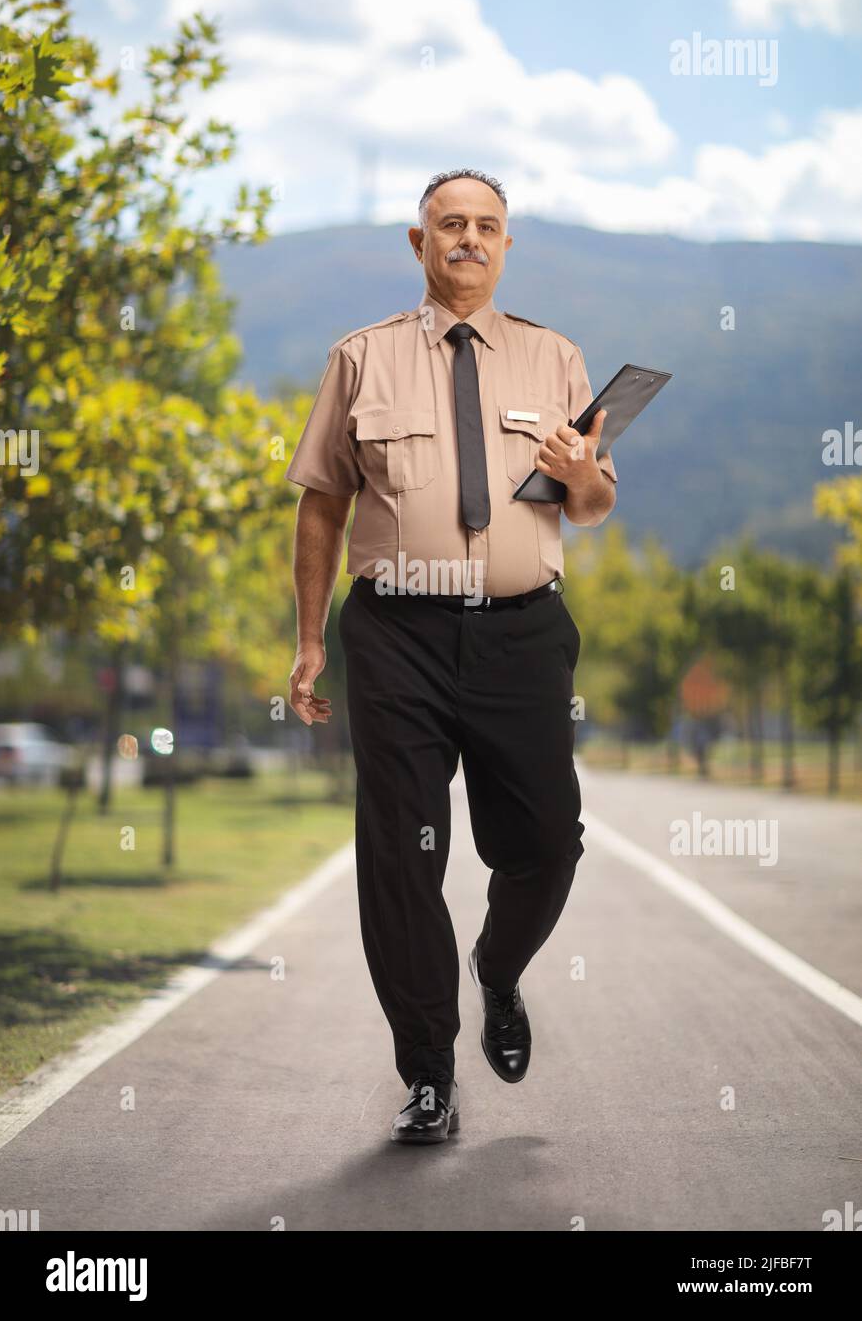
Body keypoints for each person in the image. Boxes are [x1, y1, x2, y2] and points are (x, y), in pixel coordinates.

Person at [286, 168, 617, 1144]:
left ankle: (497, 969)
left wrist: (579, 474)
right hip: (397, 635)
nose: (468, 238)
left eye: (486, 225)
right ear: (418, 241)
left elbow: (593, 506)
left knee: (547, 841)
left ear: (506, 244)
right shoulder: (361, 358)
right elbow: (321, 506)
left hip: (522, 632)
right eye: (450, 224)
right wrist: (308, 640)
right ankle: (428, 1074)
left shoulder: (556, 357)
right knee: (401, 854)